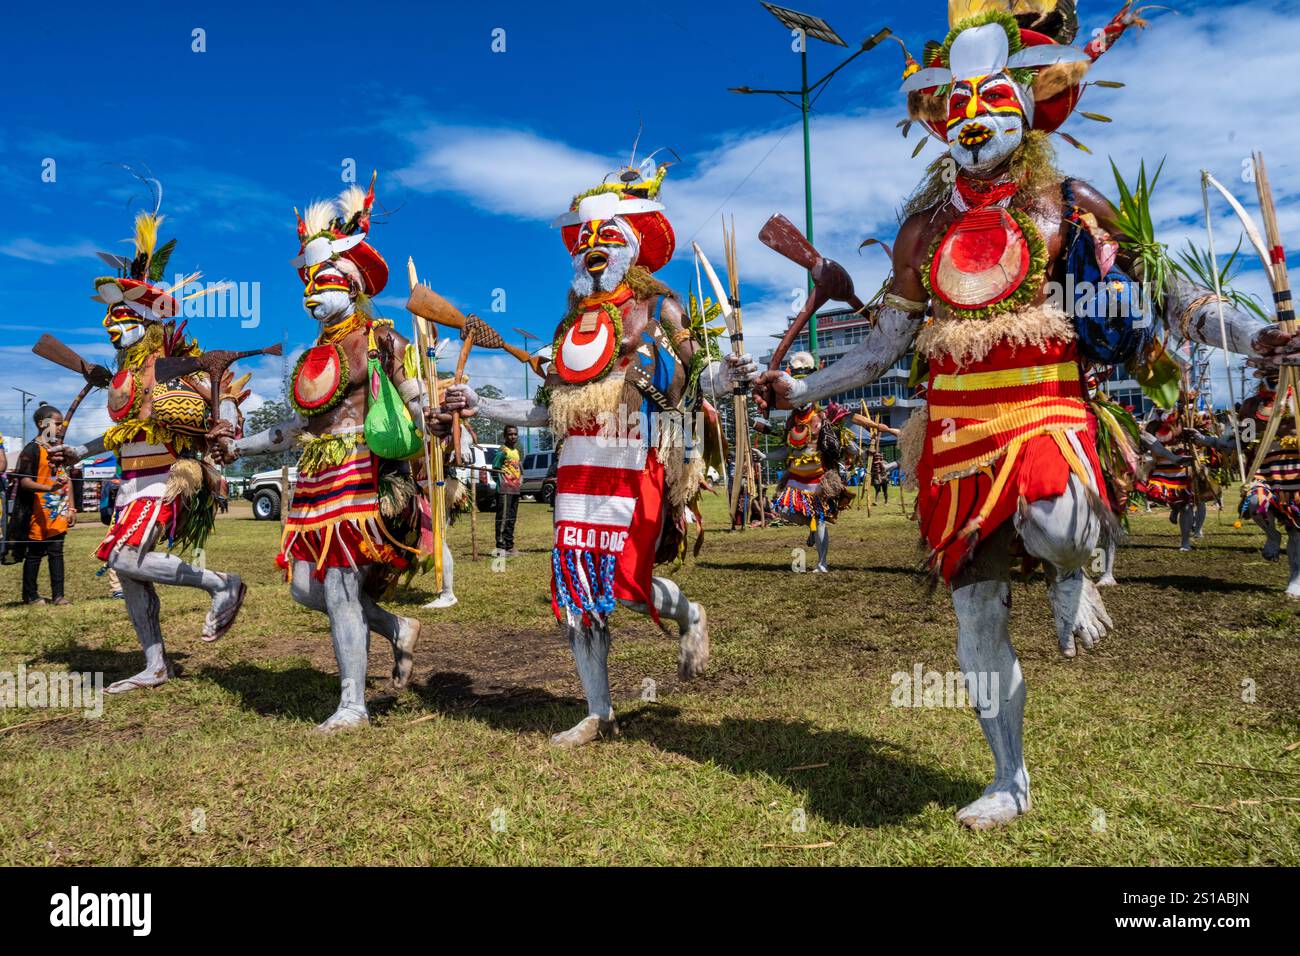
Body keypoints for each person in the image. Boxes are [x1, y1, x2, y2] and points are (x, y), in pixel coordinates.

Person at [756, 0, 1294, 829]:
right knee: (976, 624)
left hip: (1046, 413)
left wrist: (1256, 336)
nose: (974, 120)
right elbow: (881, 351)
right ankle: (1010, 778)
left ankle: (1077, 567)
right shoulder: (922, 231)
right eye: (958, 104)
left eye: (992, 98)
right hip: (954, 442)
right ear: (939, 122)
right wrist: (799, 392)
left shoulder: (1069, 201)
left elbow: (1171, 296)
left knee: (1062, 527)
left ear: (1029, 103)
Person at [436, 155, 755, 748]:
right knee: (578, 598)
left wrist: (725, 377)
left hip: (633, 462)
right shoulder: (567, 329)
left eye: (607, 236)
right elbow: (543, 412)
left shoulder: (658, 309)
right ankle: (598, 709)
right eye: (585, 239)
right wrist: (478, 403)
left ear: (633, 244)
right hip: (575, 472)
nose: (593, 248)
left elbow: (695, 374)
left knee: (628, 589)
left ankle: (689, 615)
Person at [210, 174, 428, 733]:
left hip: (360, 473)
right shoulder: (313, 355)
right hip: (314, 478)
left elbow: (416, 407)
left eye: (324, 280)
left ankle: (353, 703)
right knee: (307, 587)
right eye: (307, 283)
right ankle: (396, 629)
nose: (312, 293)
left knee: (337, 585)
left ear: (353, 284)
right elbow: (294, 429)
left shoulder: (383, 338)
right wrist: (241, 445)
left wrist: (431, 425)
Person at [48, 200, 247, 692]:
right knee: (132, 575)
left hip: (167, 479)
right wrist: (80, 453)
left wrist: (220, 432)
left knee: (124, 560)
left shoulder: (172, 367)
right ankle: (156, 664)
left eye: (124, 320)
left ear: (148, 320)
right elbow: (123, 435)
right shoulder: (127, 375)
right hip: (132, 483)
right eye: (109, 324)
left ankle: (221, 583)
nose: (114, 330)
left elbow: (219, 407)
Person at [18, 405, 75, 606]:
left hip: (58, 510)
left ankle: (58, 595)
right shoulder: (31, 450)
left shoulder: (58, 449)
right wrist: (49, 488)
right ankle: (30, 595)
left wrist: (71, 507)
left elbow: (66, 478)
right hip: (37, 511)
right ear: (42, 424)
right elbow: (24, 481)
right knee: (34, 554)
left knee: (56, 552)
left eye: (62, 424)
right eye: (56, 424)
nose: (60, 428)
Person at [493, 425, 522, 556]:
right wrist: (502, 482)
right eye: (510, 434)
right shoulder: (502, 451)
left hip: (515, 489)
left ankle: (509, 546)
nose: (513, 436)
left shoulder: (516, 451)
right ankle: (501, 547)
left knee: (512, 518)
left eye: (515, 434)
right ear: (505, 436)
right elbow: (495, 469)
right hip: (504, 489)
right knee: (503, 519)